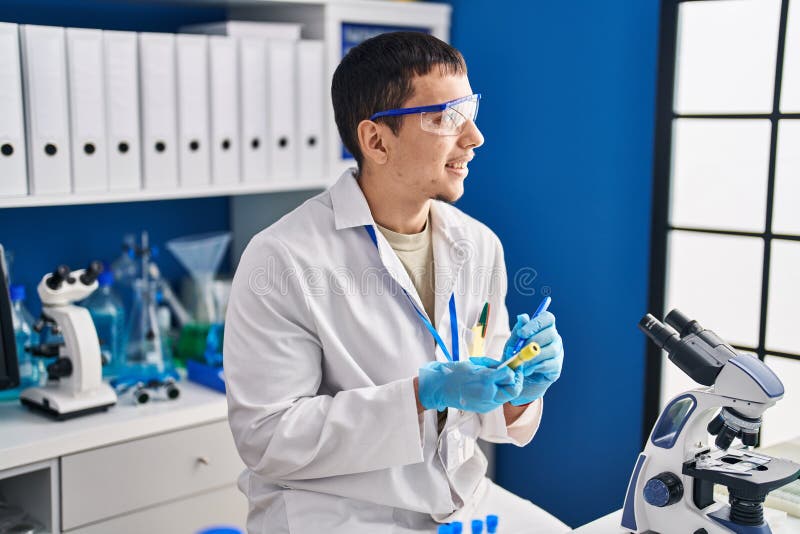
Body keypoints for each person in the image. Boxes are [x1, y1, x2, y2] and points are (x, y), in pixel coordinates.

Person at [224, 31, 569, 533]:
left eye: (470, 110)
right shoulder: (282, 258)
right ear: (376, 141)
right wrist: (417, 395)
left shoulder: (478, 244)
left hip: (461, 501)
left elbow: (486, 405)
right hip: (340, 514)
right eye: (446, 117)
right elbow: (269, 438)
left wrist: (519, 385)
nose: (474, 137)